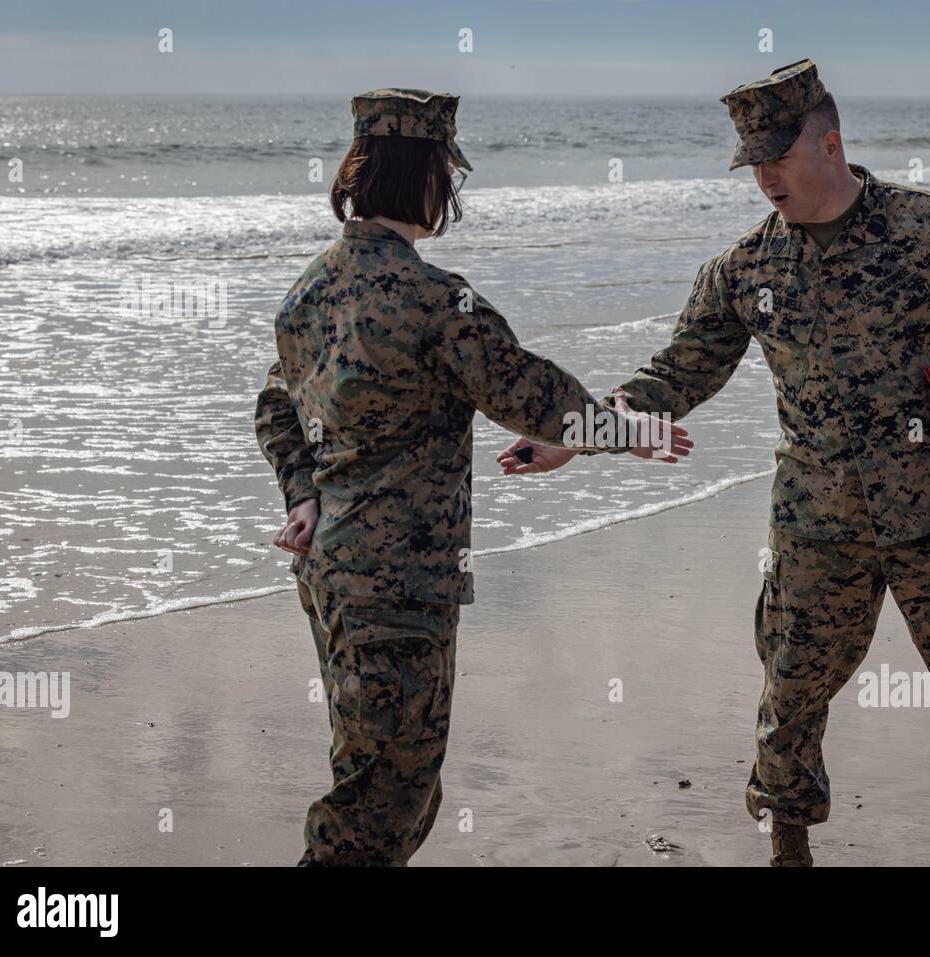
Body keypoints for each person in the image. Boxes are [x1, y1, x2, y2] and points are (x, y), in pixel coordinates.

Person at [498, 60, 930, 867]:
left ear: (829, 143)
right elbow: (677, 372)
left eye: (777, 158)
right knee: (791, 693)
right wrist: (577, 433)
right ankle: (788, 847)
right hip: (816, 523)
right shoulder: (745, 269)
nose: (763, 178)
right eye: (751, 163)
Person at [255, 87, 691, 866]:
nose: (450, 194)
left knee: (373, 772)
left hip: (330, 576)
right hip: (401, 585)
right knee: (383, 802)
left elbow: (274, 407)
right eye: (447, 175)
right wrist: (630, 431)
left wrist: (305, 493)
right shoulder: (434, 300)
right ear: (427, 176)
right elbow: (534, 396)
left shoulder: (307, 291)